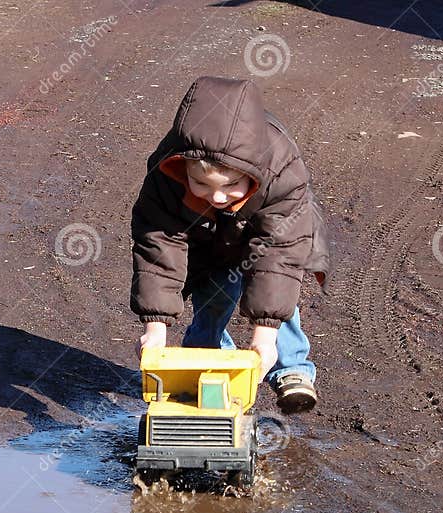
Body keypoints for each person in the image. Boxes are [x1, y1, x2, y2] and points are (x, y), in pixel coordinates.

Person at [130, 76, 329, 414]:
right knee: (213, 296)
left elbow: (278, 258)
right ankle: (204, 365)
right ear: (182, 167)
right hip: (205, 243)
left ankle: (291, 367)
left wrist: (263, 338)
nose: (218, 196)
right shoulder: (165, 175)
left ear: (252, 172)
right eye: (200, 184)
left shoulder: (282, 170)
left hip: (272, 241)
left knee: (278, 298)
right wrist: (155, 328)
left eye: (232, 185)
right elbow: (159, 247)